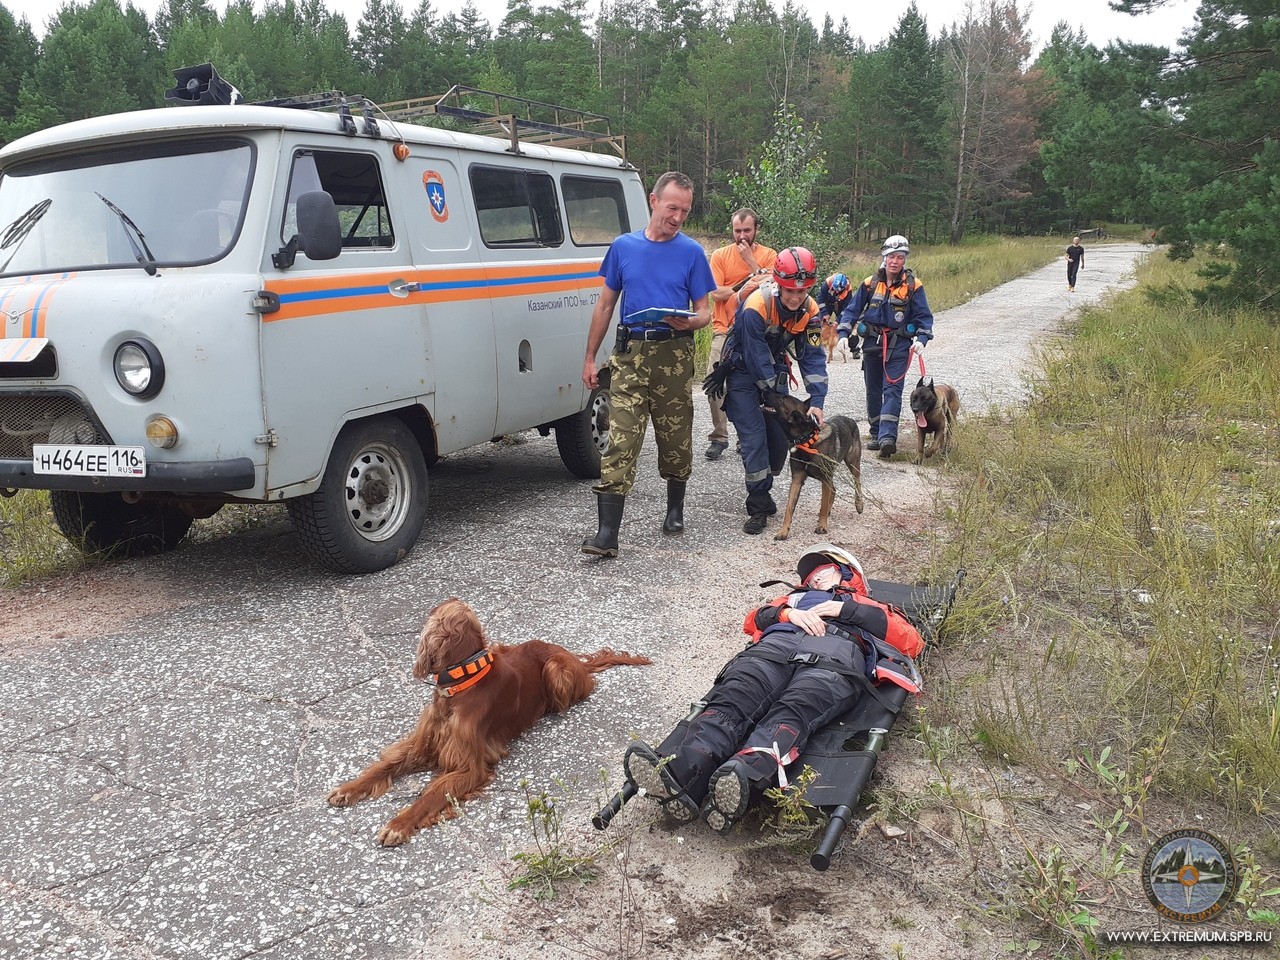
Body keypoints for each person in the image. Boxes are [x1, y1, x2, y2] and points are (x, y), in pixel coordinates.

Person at [622, 543, 924, 833]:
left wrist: (845, 611)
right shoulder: (793, 599)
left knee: (793, 710)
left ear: (848, 575)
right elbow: (753, 619)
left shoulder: (869, 606)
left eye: (825, 569)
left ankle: (744, 774)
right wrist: (787, 614)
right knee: (731, 701)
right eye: (809, 576)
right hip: (772, 650)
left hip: (834, 660)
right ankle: (685, 774)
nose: (814, 577)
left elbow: (911, 641)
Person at [580, 171, 716, 558]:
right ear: (654, 201)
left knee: (674, 437)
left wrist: (692, 320)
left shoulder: (691, 252)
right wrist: (589, 358)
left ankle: (675, 508)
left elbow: (705, 311)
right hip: (630, 354)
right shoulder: (624, 247)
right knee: (620, 437)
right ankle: (607, 535)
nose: (678, 217)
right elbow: (605, 305)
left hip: (674, 354)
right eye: (673, 208)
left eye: (685, 212)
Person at [716, 246, 829, 535]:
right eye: (789, 290)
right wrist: (772, 396)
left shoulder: (811, 311)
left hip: (774, 369)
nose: (795, 297)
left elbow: (813, 357)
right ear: (778, 284)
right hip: (742, 371)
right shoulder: (756, 306)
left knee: (779, 443)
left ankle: (765, 483)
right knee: (754, 439)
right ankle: (758, 504)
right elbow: (754, 355)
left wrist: (816, 400)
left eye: (801, 292)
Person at [837, 235, 934, 460]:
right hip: (872, 344)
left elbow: (924, 316)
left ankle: (887, 438)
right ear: (884, 257)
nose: (895, 261)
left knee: (892, 389)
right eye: (891, 256)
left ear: (905, 259)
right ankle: (875, 432)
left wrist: (922, 338)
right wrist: (843, 332)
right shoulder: (870, 283)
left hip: (899, 345)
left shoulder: (914, 286)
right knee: (873, 390)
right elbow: (852, 309)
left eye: (900, 257)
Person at [705, 209, 777, 461]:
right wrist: (748, 283)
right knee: (713, 379)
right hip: (724, 327)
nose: (742, 236)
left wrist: (751, 263)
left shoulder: (769, 255)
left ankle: (746, 436)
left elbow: (771, 286)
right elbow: (716, 293)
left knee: (756, 381)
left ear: (756, 229)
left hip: (757, 328)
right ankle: (719, 436)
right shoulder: (720, 255)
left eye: (747, 230)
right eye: (737, 231)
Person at [816, 272, 859, 360]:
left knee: (847, 324)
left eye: (838, 291)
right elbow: (820, 299)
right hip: (827, 305)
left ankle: (854, 349)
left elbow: (846, 309)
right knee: (818, 325)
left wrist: (838, 321)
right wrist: (825, 313)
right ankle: (816, 350)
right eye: (835, 289)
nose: (836, 292)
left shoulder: (848, 289)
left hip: (841, 305)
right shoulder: (826, 284)